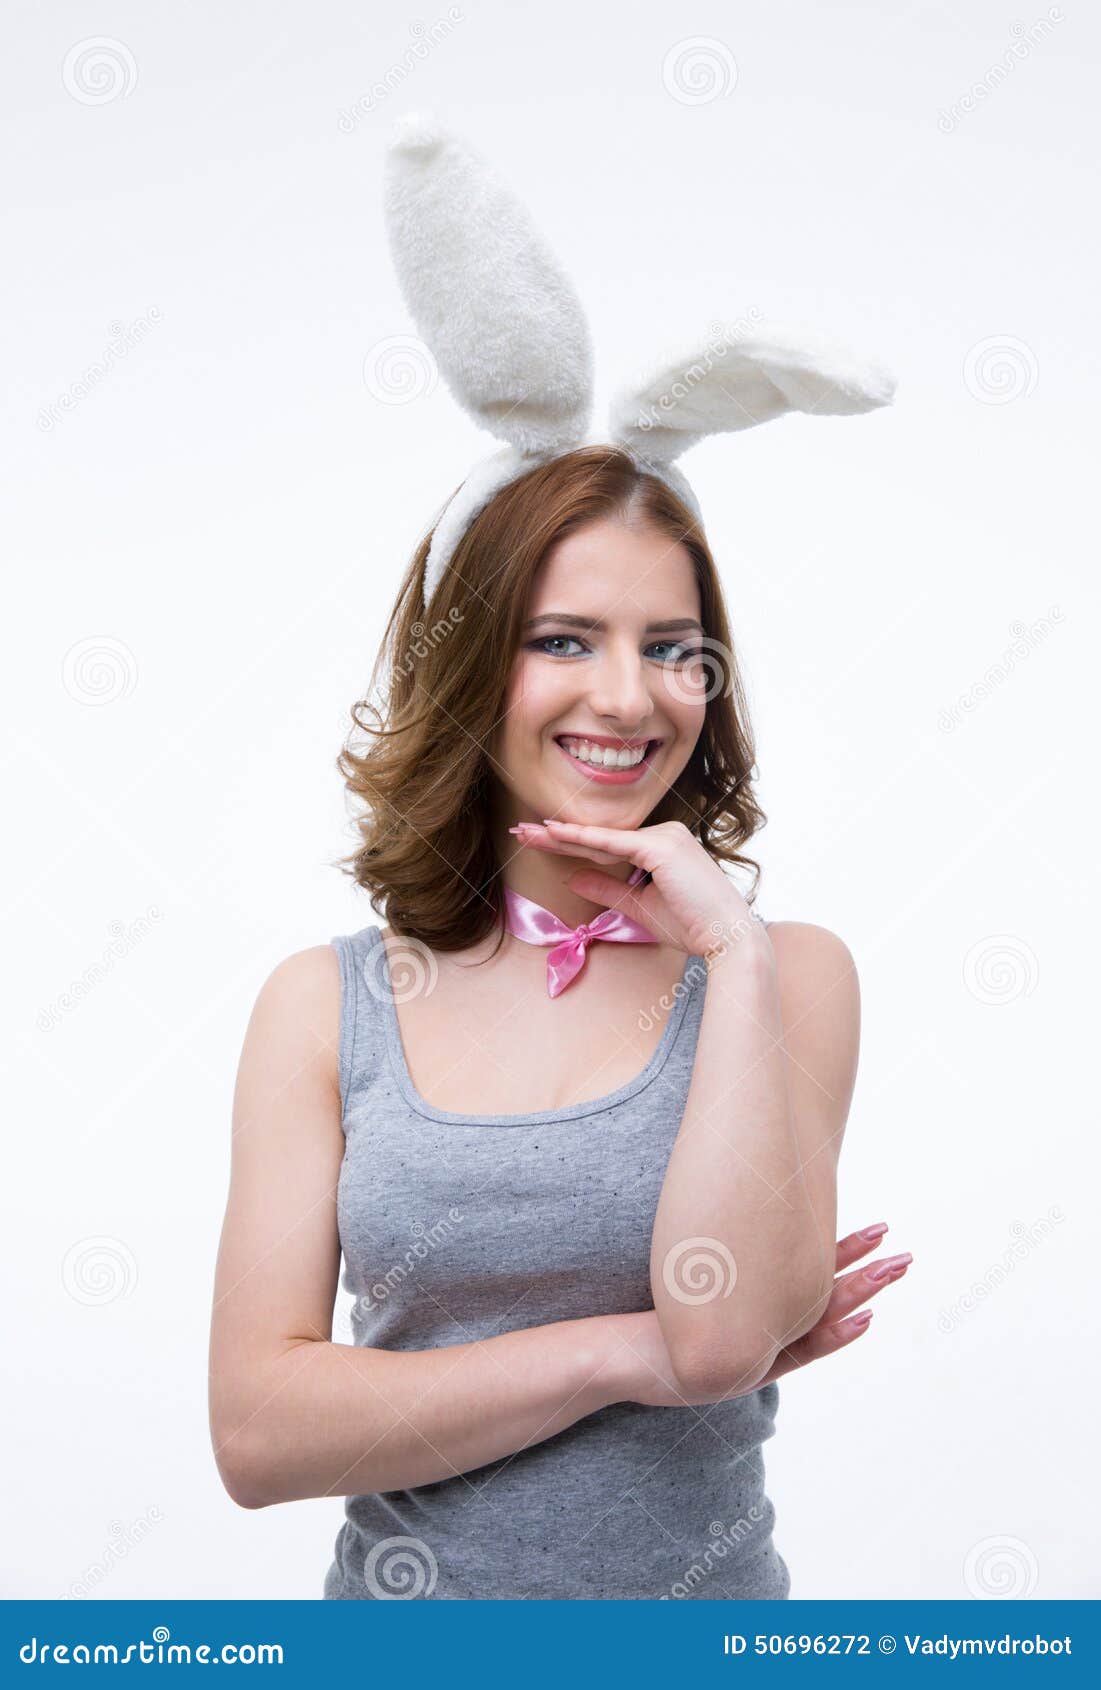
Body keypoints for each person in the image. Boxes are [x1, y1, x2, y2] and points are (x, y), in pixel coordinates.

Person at [207, 443, 913, 1599]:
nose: (628, 696)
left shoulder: (790, 978)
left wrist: (730, 952)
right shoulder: (322, 1005)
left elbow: (725, 1337)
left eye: (672, 650)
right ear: (472, 664)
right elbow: (258, 1434)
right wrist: (622, 1352)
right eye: (563, 640)